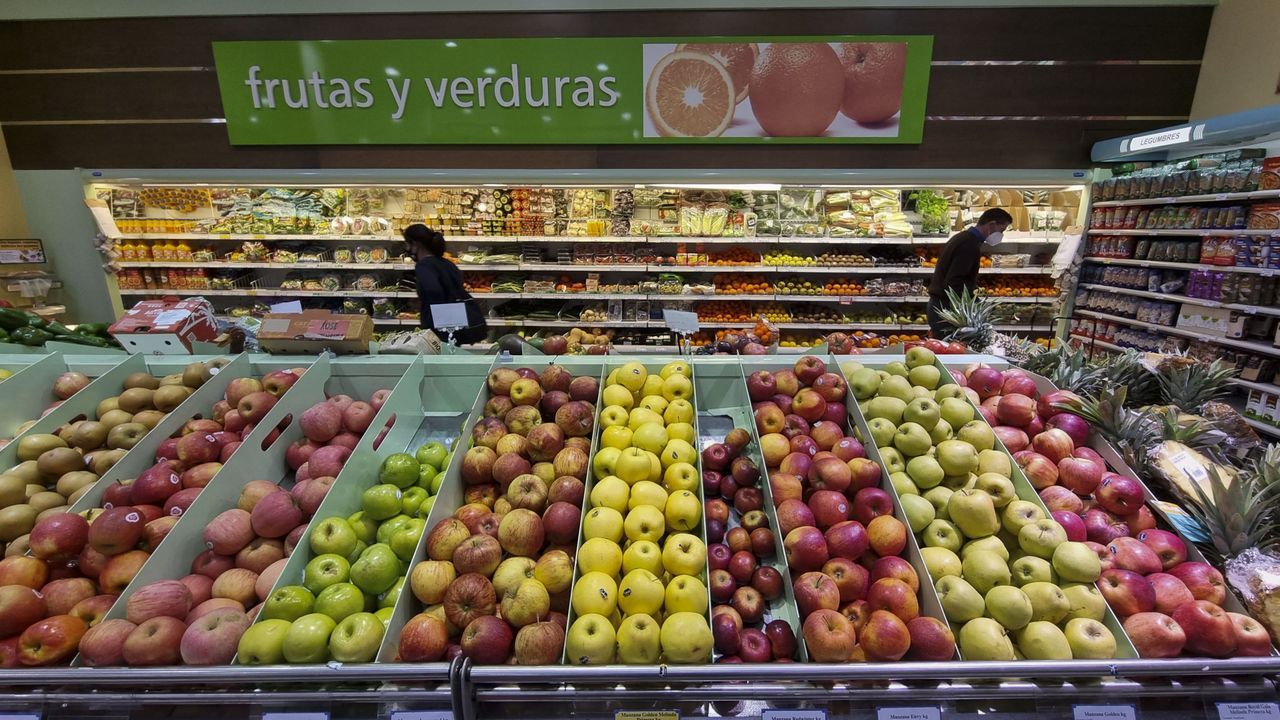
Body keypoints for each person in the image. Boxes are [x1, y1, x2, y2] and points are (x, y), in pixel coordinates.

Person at [926, 208, 1013, 338]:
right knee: (950, 353)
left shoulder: (963, 238)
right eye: (1001, 230)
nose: (1001, 234)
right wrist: (974, 306)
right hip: (946, 309)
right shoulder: (968, 244)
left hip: (941, 306)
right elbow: (955, 282)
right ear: (992, 225)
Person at [404, 224, 488, 344]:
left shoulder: (424, 265)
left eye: (407, 244)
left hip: (441, 327)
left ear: (416, 244)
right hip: (458, 321)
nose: (407, 248)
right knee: (453, 352)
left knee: (442, 354)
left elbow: (434, 291)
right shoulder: (447, 264)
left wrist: (421, 303)